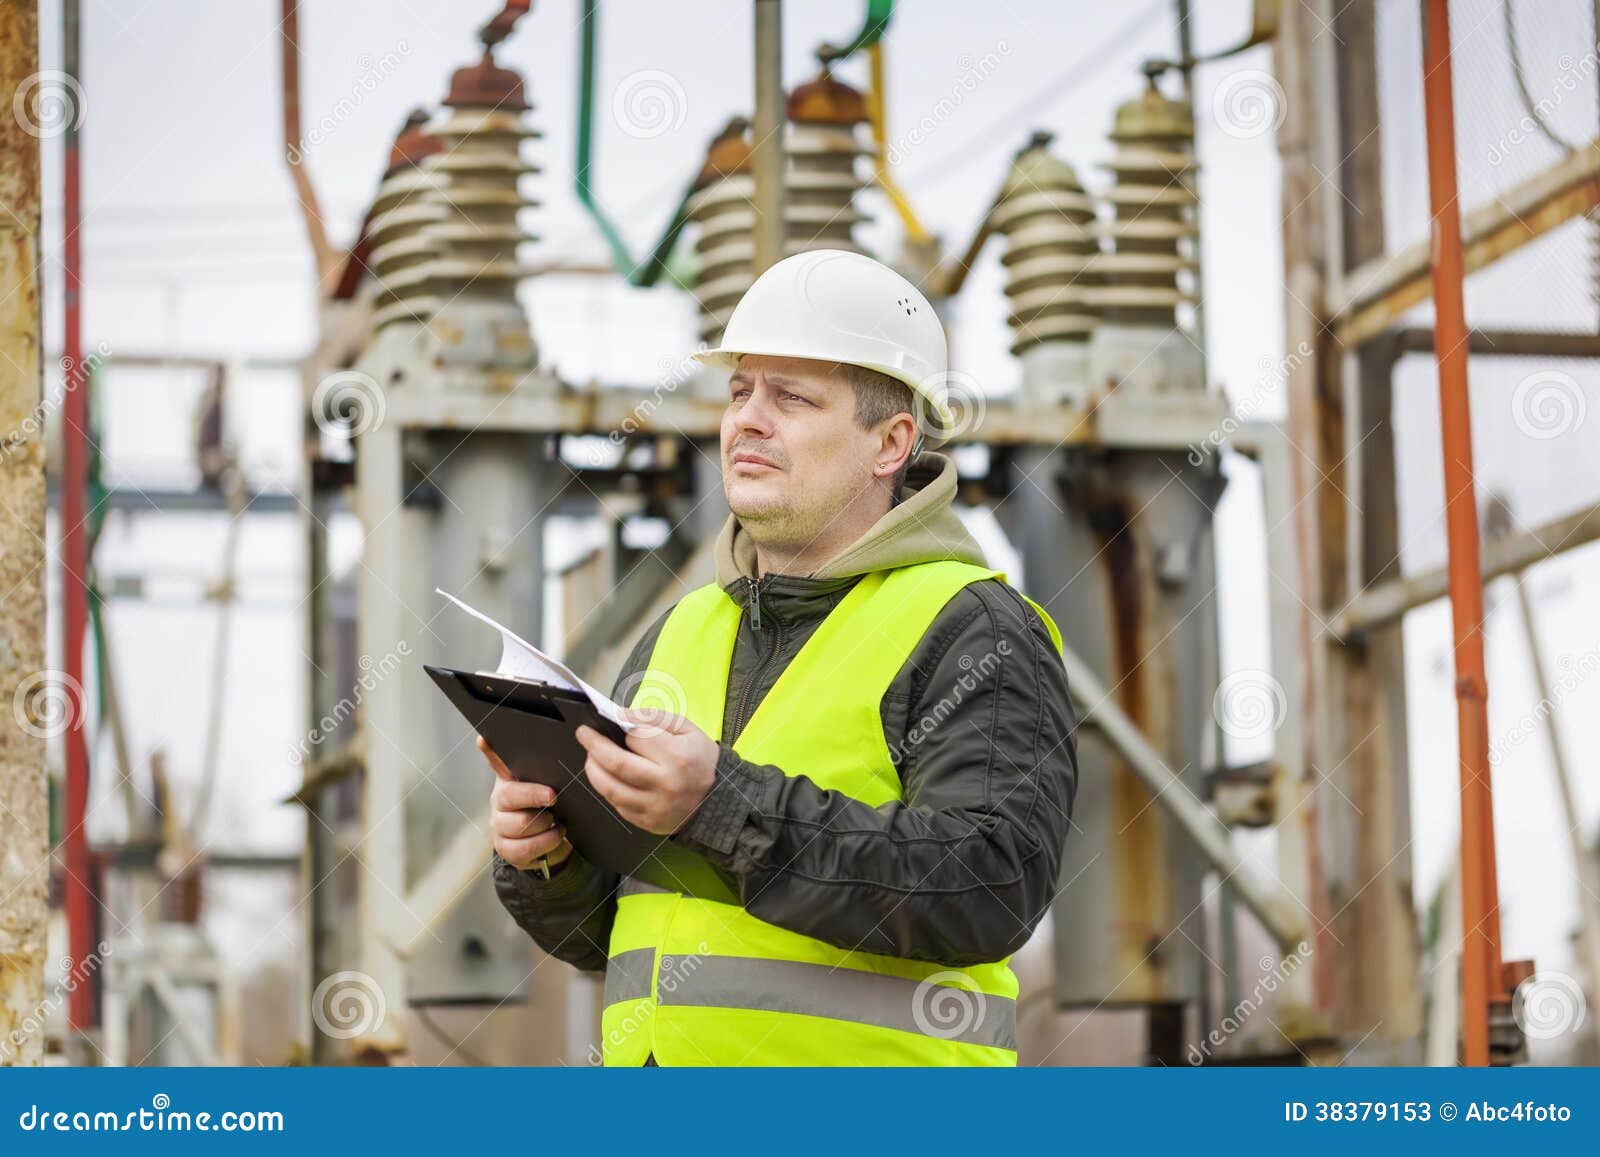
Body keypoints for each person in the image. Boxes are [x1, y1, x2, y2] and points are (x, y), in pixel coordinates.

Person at [484, 249, 1077, 1066]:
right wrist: (548, 858)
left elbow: (987, 888)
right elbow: (618, 938)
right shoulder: (680, 631)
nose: (747, 420)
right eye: (739, 391)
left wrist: (723, 806)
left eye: (791, 397)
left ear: (891, 442)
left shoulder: (973, 626)